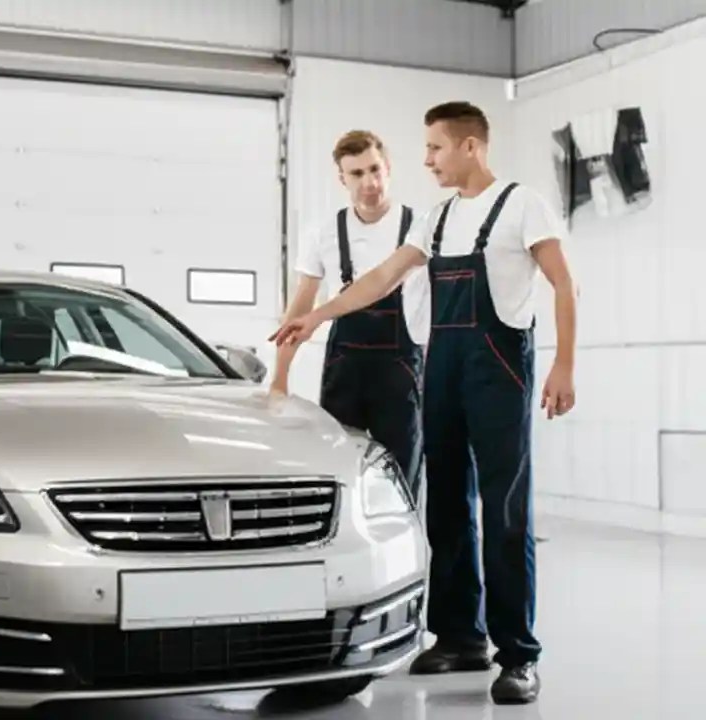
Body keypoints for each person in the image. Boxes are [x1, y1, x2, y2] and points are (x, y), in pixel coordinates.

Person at [270, 101, 578, 705]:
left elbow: (564, 283)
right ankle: (460, 636)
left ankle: (518, 654)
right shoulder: (434, 217)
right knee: (446, 509)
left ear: (469, 146)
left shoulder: (521, 203)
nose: (427, 160)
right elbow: (382, 278)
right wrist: (314, 318)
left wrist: (565, 363)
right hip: (440, 369)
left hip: (500, 373)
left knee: (505, 512)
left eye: (435, 148)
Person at [269, 130, 427, 503]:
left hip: (401, 369)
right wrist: (279, 379)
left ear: (388, 168)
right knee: (340, 472)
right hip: (345, 368)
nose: (369, 183)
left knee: (402, 479)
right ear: (342, 179)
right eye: (356, 174)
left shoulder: (421, 226)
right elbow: (300, 309)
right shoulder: (323, 233)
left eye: (375, 170)